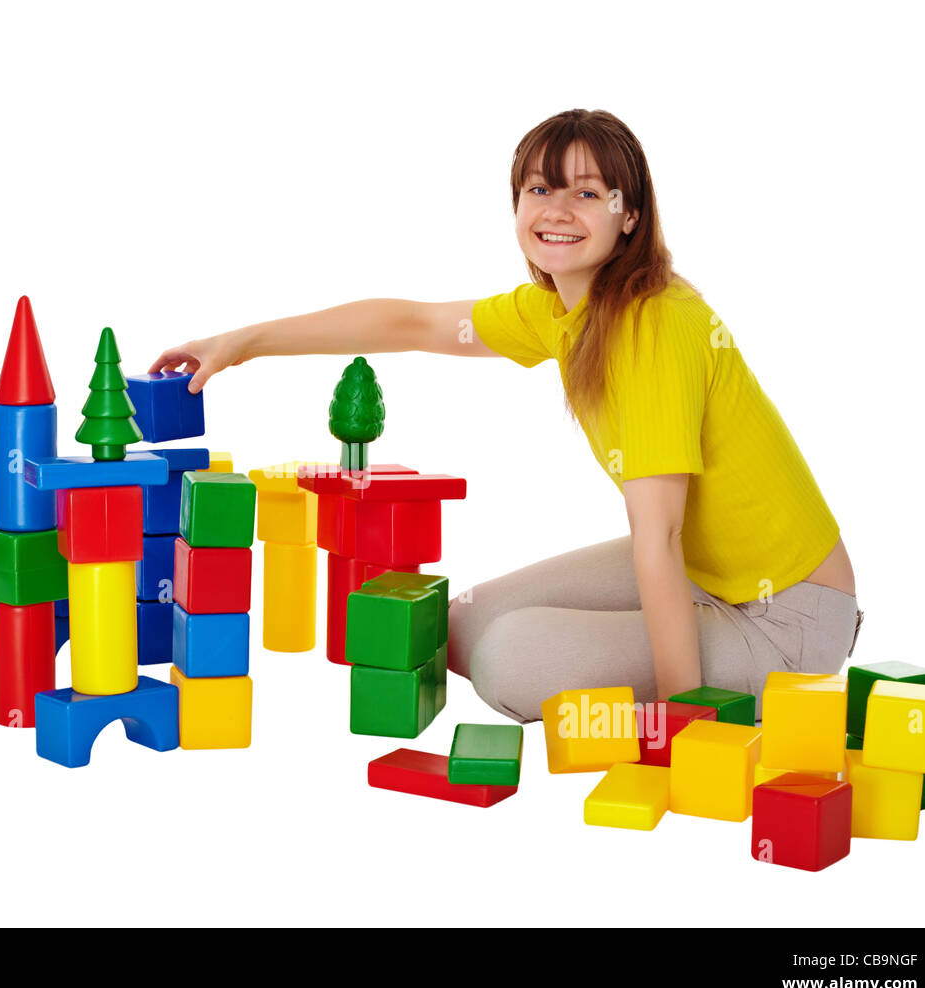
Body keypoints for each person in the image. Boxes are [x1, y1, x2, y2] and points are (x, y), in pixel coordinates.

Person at [146, 108, 864, 723]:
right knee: (459, 623)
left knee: (507, 659)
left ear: (630, 216)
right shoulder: (559, 310)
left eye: (589, 193)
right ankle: (666, 654)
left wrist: (682, 727)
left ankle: (723, 687)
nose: (557, 209)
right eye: (540, 188)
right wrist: (244, 345)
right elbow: (415, 324)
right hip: (707, 571)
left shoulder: (656, 326)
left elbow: (661, 533)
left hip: (787, 618)